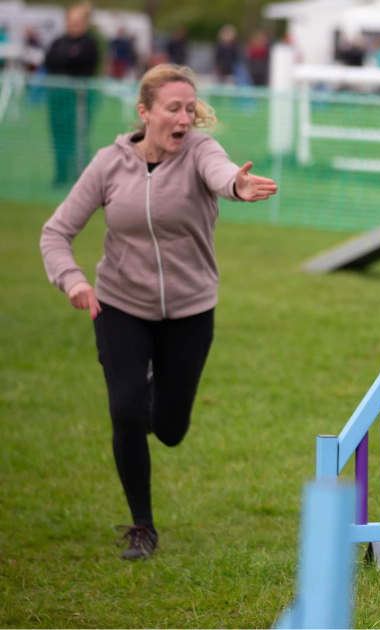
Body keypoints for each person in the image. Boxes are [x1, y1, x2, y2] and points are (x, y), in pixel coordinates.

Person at [39, 64, 278, 561]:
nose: (185, 119)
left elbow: (219, 173)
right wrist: (73, 279)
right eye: (174, 108)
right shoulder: (109, 164)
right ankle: (142, 527)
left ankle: (149, 389)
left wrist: (236, 185)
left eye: (191, 109)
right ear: (144, 112)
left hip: (190, 310)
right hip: (120, 304)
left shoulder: (199, 152)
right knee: (125, 411)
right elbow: (55, 233)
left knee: (169, 429)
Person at [44, 3, 99, 188]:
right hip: (57, 98)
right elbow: (49, 61)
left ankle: (80, 176)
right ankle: (61, 175)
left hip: (78, 101)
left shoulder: (88, 43)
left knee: (77, 138)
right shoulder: (59, 42)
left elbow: (83, 63)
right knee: (58, 137)